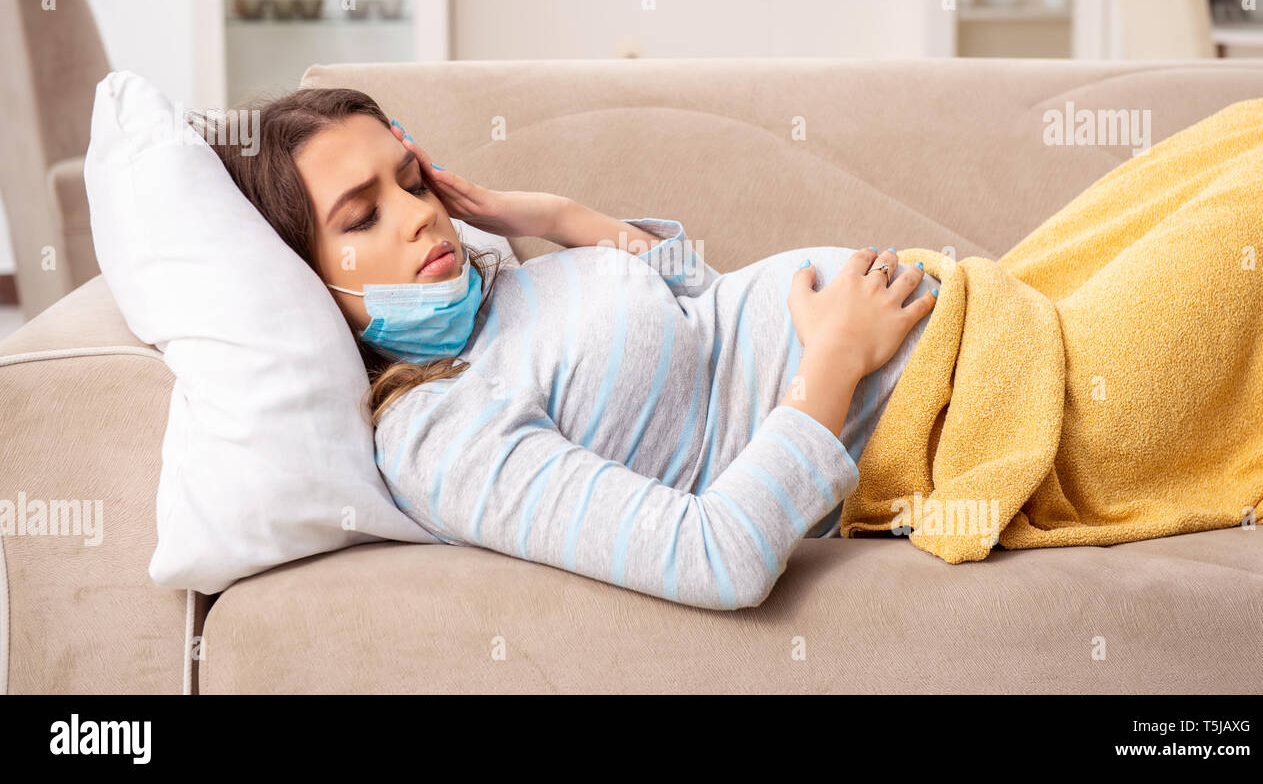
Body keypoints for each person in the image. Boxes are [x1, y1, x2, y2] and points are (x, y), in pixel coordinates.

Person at [197, 87, 939, 611]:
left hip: (947, 320)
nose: (420, 216)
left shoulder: (507, 292)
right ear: (306, 279)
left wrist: (554, 214)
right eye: (362, 217)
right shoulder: (438, 432)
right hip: (936, 411)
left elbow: (703, 296)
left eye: (413, 181)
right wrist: (838, 356)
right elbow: (718, 557)